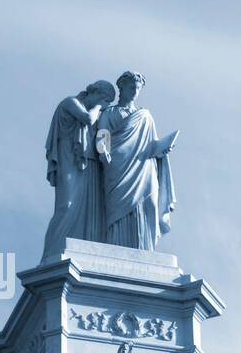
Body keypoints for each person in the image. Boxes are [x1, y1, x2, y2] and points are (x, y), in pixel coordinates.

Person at [97, 71, 177, 249]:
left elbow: (152, 145)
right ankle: (116, 245)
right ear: (122, 88)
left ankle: (144, 248)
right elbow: (103, 133)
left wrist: (163, 149)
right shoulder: (109, 112)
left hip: (144, 169)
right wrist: (103, 150)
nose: (135, 91)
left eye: (138, 88)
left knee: (146, 204)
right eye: (132, 87)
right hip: (117, 168)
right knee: (119, 210)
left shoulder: (145, 116)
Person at [42, 80, 115, 258]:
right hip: (69, 158)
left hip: (88, 163)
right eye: (104, 99)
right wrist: (99, 106)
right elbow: (88, 119)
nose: (105, 105)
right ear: (94, 92)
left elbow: (103, 136)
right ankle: (52, 253)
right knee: (66, 205)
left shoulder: (100, 115)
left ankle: (81, 250)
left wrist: (105, 150)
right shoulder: (70, 102)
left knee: (87, 211)